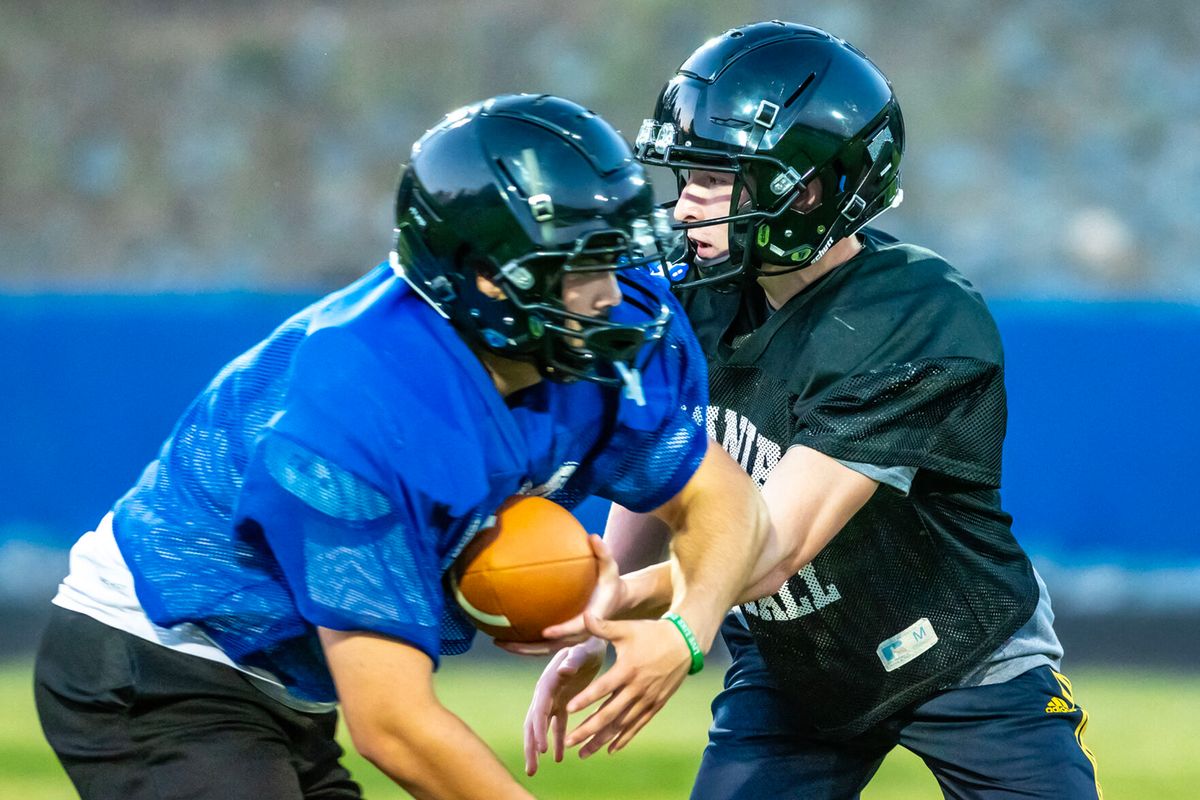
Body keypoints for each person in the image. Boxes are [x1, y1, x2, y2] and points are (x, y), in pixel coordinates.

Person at [33, 93, 772, 800]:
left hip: (286, 679)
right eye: (580, 269)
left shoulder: (603, 337)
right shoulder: (359, 412)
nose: (611, 293)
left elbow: (723, 498)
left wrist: (685, 629)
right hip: (164, 656)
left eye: (613, 257)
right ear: (486, 280)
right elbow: (394, 727)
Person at [523, 22, 1103, 799]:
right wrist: (595, 628)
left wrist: (644, 613)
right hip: (793, 657)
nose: (687, 205)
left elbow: (772, 550)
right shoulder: (692, 298)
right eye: (685, 173)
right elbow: (661, 470)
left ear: (811, 189)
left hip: (957, 648)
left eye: (715, 177)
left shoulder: (913, 313)